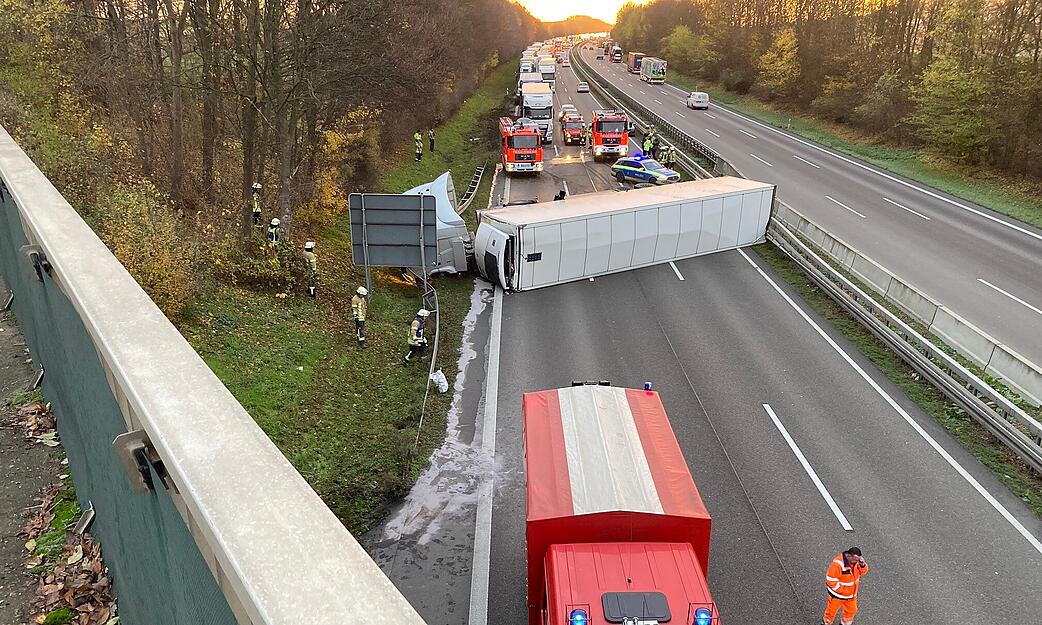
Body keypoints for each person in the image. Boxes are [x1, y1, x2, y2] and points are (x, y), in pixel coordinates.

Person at [823, 547, 869, 625]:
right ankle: (826, 623)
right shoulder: (837, 564)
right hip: (837, 596)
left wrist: (862, 565)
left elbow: (863, 572)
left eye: (858, 560)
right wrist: (843, 591)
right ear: (849, 556)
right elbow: (831, 580)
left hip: (851, 596)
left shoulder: (856, 562)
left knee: (851, 611)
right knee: (831, 612)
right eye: (855, 560)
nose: (856, 562)